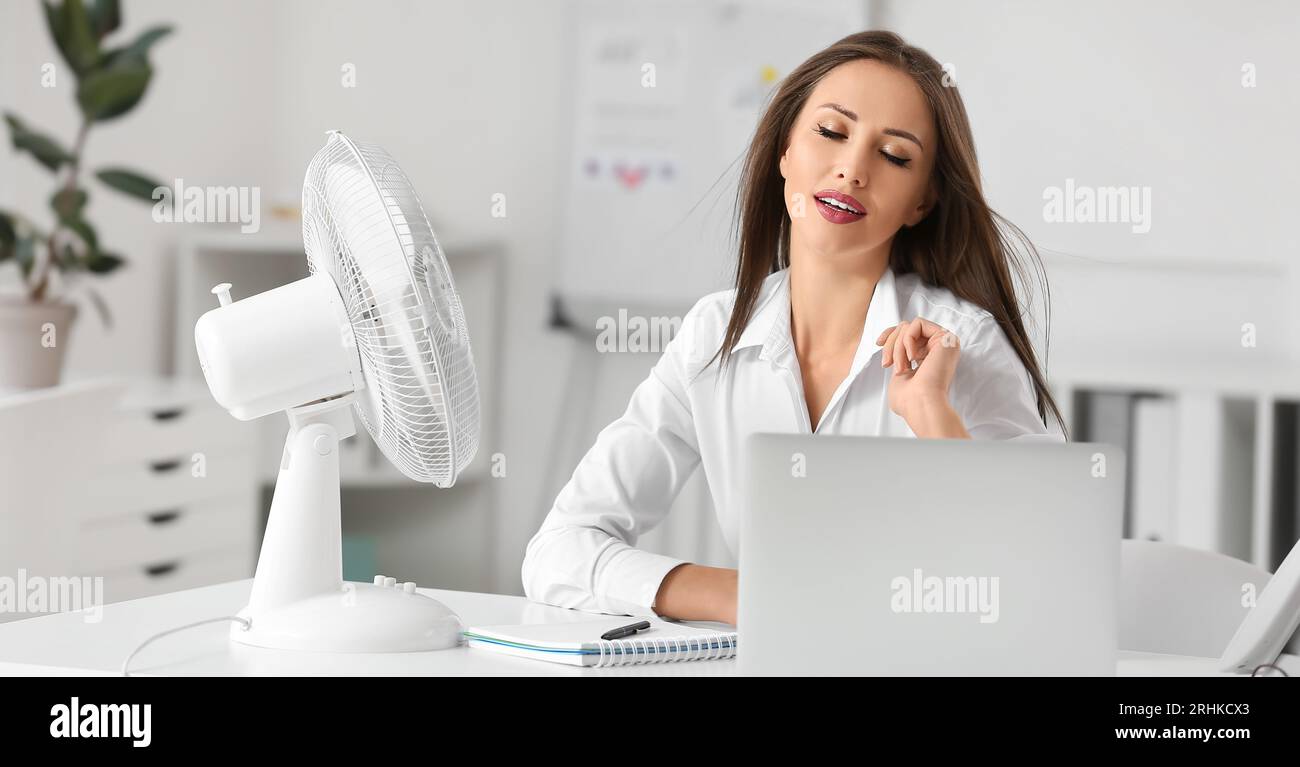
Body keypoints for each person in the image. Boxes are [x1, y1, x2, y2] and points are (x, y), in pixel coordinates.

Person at [522, 30, 1067, 627]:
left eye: (895, 156)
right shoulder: (713, 336)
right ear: (784, 152)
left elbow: (1048, 580)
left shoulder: (964, 344)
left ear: (921, 202)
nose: (852, 169)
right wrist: (744, 596)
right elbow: (558, 551)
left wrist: (934, 417)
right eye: (831, 133)